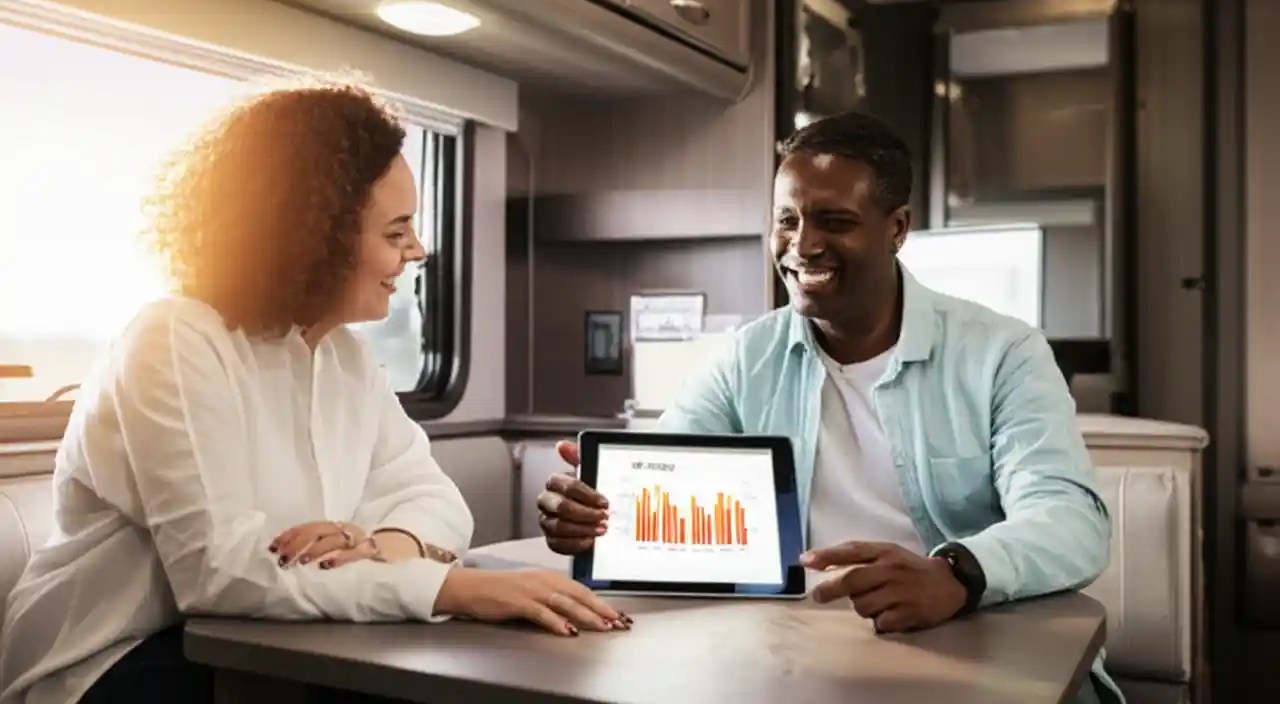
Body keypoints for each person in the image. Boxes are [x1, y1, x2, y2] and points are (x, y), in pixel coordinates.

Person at [0, 77, 628, 704]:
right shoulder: (174, 340)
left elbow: (436, 501)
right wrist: (451, 589)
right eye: (395, 233)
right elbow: (219, 572)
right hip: (111, 657)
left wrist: (381, 546)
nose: (417, 251)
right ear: (315, 236)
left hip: (265, 639)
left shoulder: (344, 359)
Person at [535, 111, 1120, 704]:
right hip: (798, 658)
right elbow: (659, 488)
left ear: (897, 228)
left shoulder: (1004, 353)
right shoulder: (746, 359)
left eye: (835, 222)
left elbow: (1071, 521)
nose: (803, 246)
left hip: (979, 650)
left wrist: (956, 574)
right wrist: (595, 516)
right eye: (787, 220)